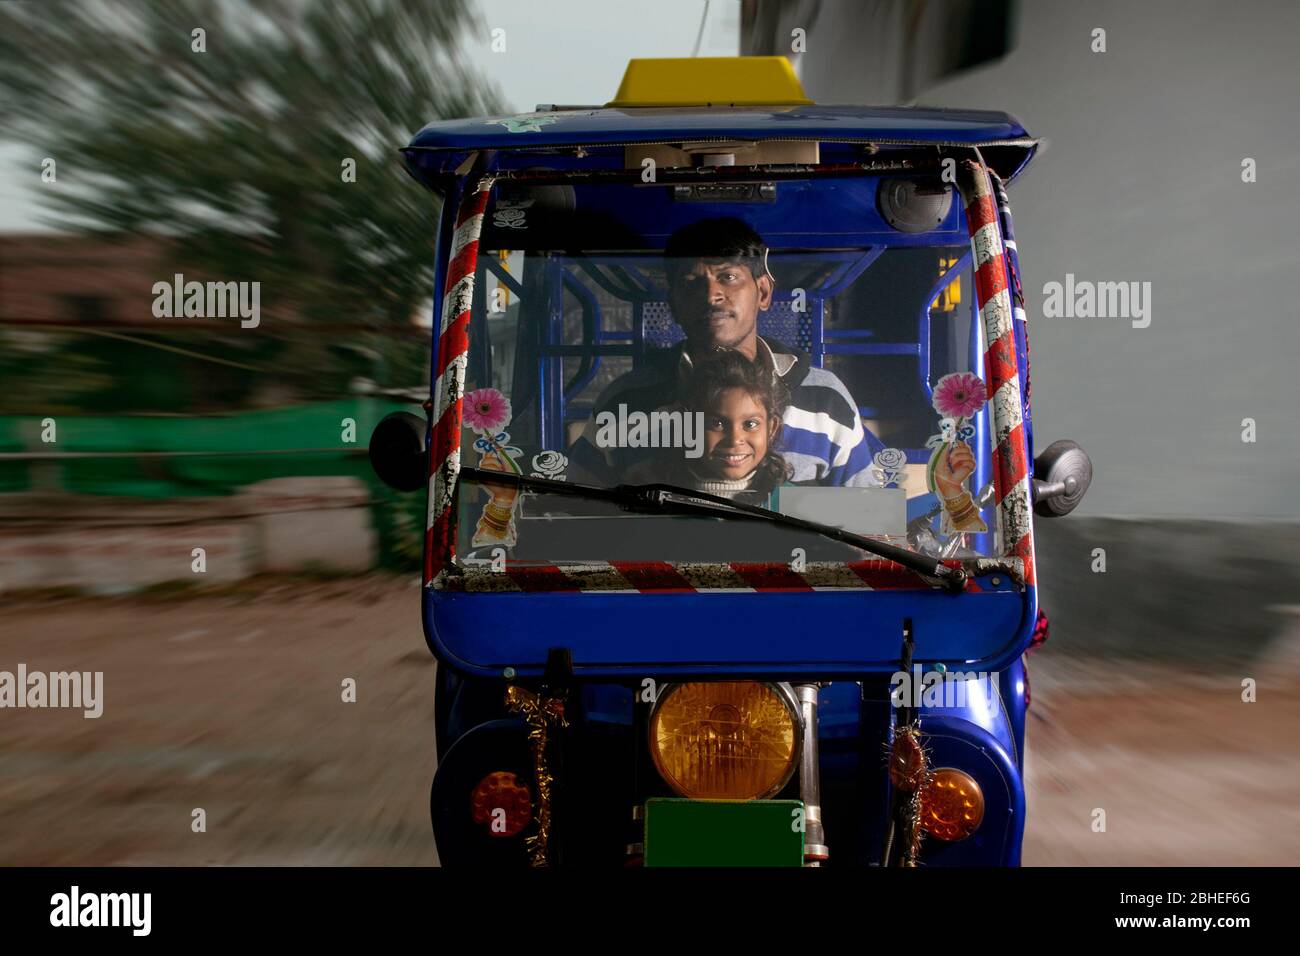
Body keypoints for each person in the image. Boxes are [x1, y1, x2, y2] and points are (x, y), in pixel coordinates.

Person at [568, 217, 885, 487]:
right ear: (673, 303)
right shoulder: (626, 400)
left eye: (728, 277)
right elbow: (576, 519)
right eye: (692, 282)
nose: (712, 295)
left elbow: (868, 526)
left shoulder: (825, 400)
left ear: (762, 292)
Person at [625, 348, 792, 504]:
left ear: (772, 428)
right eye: (717, 423)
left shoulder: (793, 504)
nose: (734, 440)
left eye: (750, 424)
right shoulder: (649, 500)